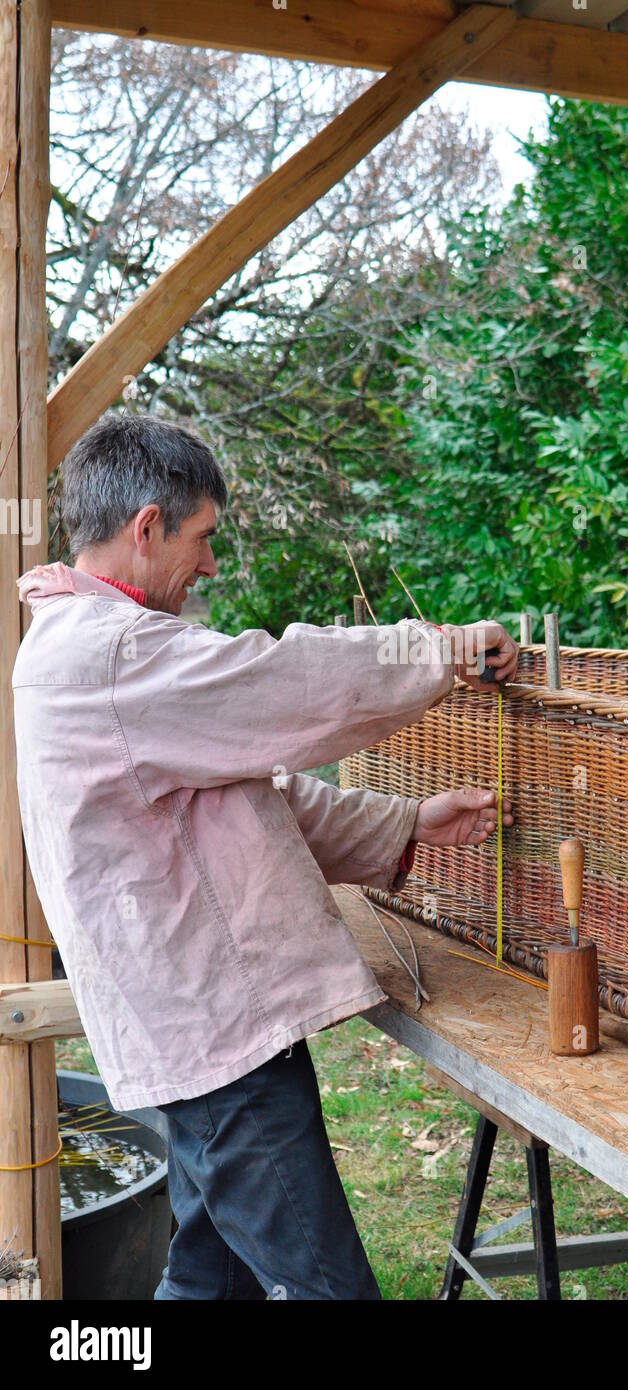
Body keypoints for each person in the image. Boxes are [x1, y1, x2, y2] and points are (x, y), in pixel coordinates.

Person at [12, 413, 517, 1300]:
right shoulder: (115, 654)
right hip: (217, 1044)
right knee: (325, 1291)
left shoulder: (79, 648)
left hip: (190, 1027)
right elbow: (285, 684)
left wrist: (405, 824)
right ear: (145, 526)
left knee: (213, 1283)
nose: (209, 563)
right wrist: (440, 648)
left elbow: (246, 803)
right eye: (201, 537)